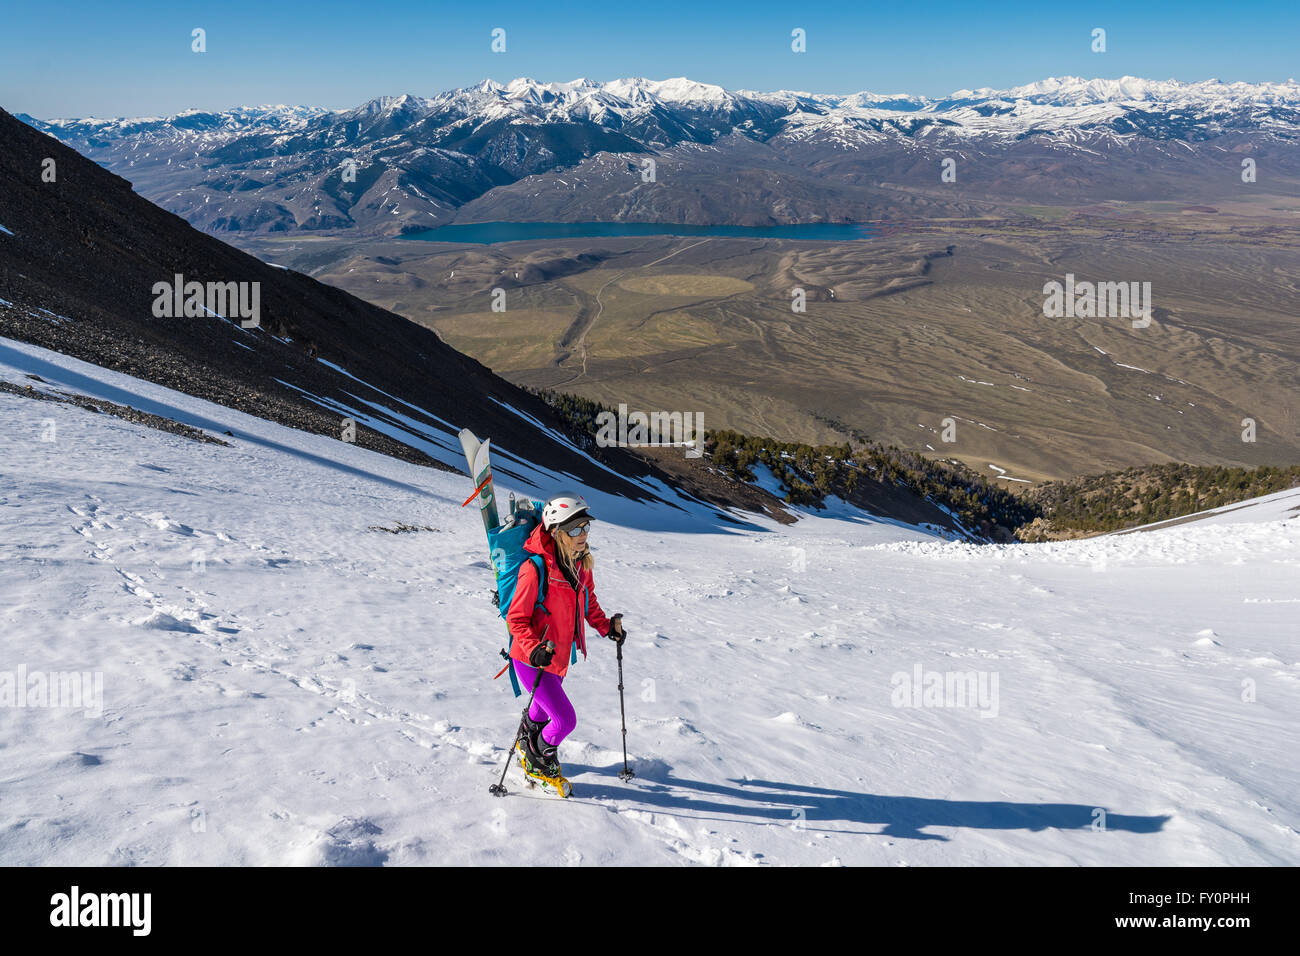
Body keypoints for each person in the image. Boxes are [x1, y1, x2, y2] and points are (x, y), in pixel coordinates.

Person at [505, 492, 626, 784]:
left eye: (585, 527)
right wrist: (534, 649)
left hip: (557, 659)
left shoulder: (580, 566)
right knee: (564, 720)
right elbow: (516, 619)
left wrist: (606, 626)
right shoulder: (534, 569)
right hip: (532, 660)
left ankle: (528, 736)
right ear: (557, 533)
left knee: (542, 711)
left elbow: (588, 602)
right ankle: (538, 756)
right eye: (574, 529)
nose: (582, 534)